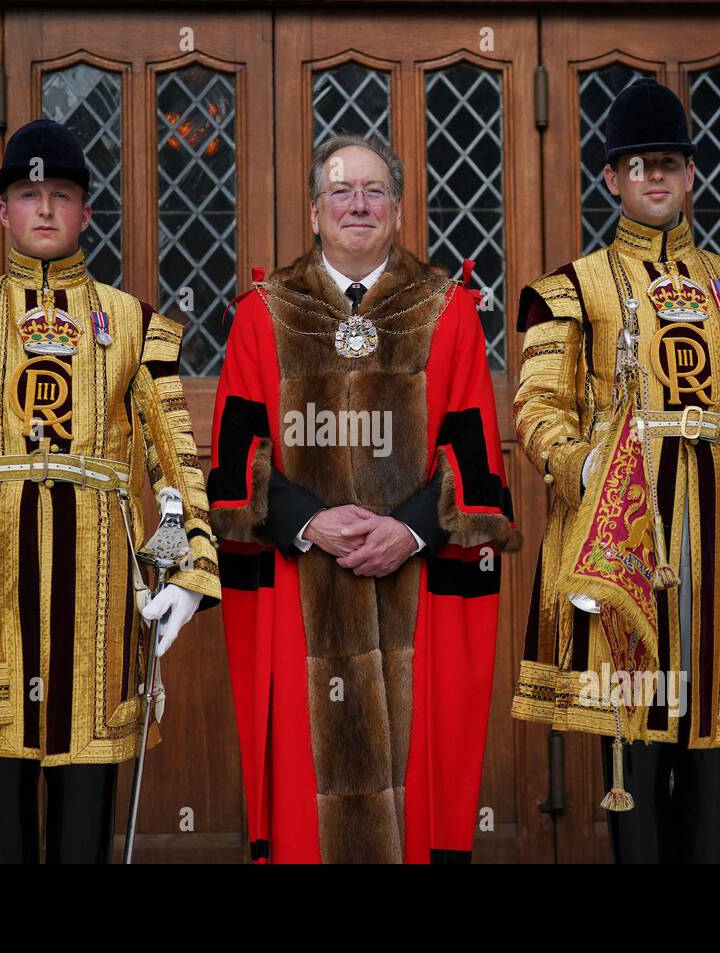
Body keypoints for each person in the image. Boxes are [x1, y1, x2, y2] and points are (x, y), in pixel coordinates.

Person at [510, 79, 720, 862]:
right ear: (611, 177)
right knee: (635, 763)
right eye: (638, 164)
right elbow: (539, 414)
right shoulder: (572, 287)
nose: (655, 177)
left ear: (690, 175)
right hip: (626, 550)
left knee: (713, 757)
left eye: (670, 163)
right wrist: (592, 481)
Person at [0, 119, 220, 863]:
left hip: (99, 603)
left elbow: (174, 459)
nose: (44, 208)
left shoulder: (137, 325)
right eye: (27, 193)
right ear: (1, 210)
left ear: (85, 211)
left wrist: (186, 572)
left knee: (85, 821)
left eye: (61, 194)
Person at [208, 134, 519, 863]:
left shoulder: (447, 310)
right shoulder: (265, 311)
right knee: (299, 805)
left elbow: (476, 461)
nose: (357, 204)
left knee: (418, 785)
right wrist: (309, 521)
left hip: (416, 593)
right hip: (297, 587)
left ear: (399, 209)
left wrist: (408, 531)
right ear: (314, 211)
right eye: (341, 190)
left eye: (373, 190)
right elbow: (232, 460)